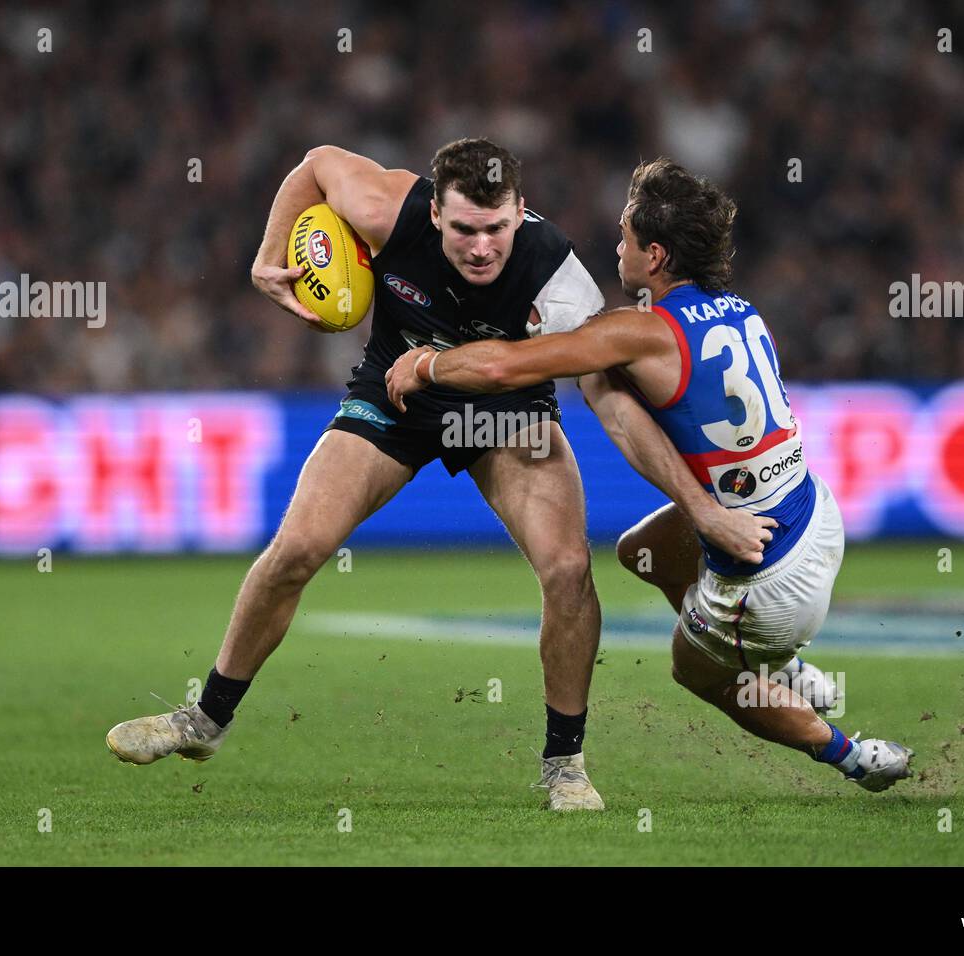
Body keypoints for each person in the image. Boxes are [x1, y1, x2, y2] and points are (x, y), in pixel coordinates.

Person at [107, 139, 708, 810]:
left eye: (496, 229)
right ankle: (206, 719)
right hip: (395, 398)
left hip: (507, 412)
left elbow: (607, 400)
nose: (481, 247)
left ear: (521, 212)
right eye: (462, 230)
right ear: (433, 216)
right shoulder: (383, 206)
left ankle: (564, 764)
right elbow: (314, 163)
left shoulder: (562, 289)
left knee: (568, 569)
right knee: (298, 549)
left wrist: (694, 496)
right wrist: (266, 259)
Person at [385, 157, 913, 792]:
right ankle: (789, 662)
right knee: (642, 552)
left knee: (698, 673)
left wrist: (426, 365)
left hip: (769, 576)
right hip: (812, 513)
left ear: (656, 255)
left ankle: (852, 755)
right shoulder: (741, 310)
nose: (618, 236)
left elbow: (504, 370)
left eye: (628, 229)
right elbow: (628, 388)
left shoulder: (641, 332)